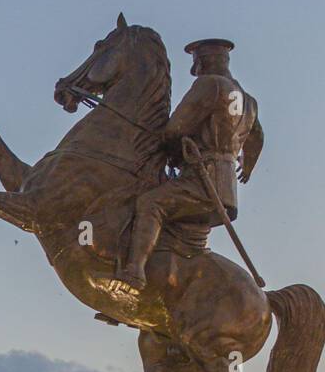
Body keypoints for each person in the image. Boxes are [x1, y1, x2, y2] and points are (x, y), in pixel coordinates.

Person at [112, 38, 263, 292]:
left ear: (202, 62)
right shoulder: (248, 101)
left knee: (150, 203)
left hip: (201, 180)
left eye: (196, 63)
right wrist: (246, 168)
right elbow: (257, 137)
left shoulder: (210, 85)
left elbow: (174, 129)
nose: (195, 69)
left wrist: (168, 149)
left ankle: (134, 271)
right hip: (226, 191)